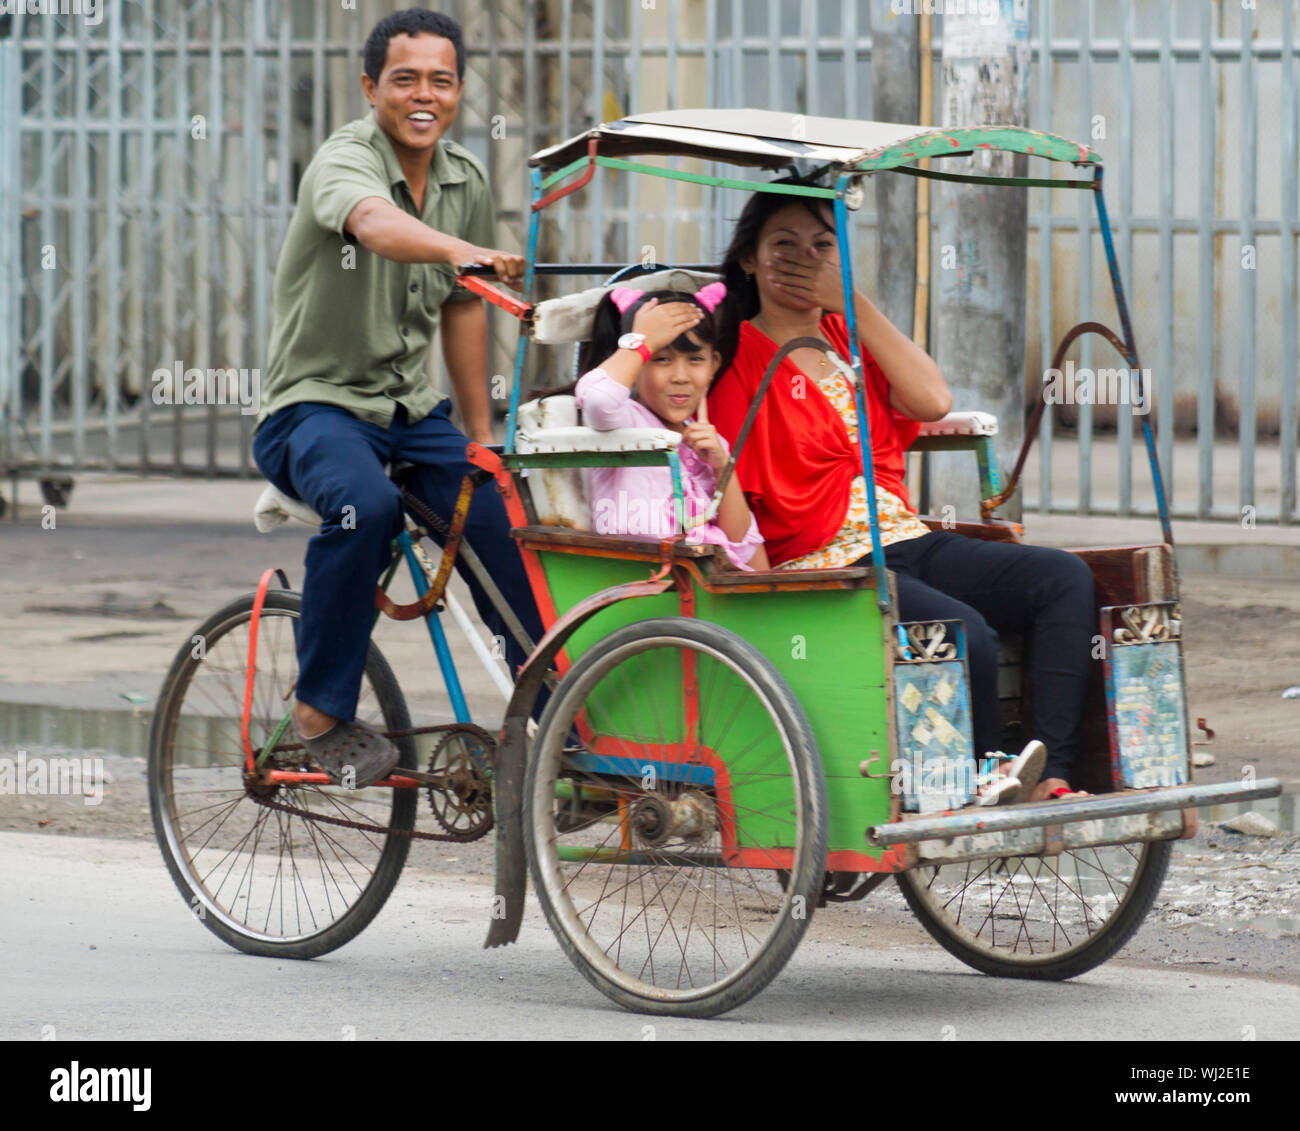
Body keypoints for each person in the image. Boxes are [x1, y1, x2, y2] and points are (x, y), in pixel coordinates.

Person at [708, 187, 1095, 801]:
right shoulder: (735, 360)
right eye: (784, 245)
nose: (804, 259)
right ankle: (983, 776)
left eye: (821, 246)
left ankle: (1051, 773)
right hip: (823, 560)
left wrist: (852, 303)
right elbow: (731, 489)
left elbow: (932, 400)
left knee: (1063, 577)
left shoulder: (848, 336)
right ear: (750, 259)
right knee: (963, 630)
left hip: (904, 537)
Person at [251, 9, 543, 787]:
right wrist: (463, 250)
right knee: (366, 508)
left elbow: (461, 306)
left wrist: (481, 437)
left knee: (504, 518)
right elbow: (376, 226)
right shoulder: (344, 160)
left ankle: (554, 714)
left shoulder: (464, 179)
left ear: (459, 90)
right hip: (313, 409)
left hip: (410, 415)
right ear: (371, 87)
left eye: (441, 81)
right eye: (405, 79)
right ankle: (319, 707)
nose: (424, 96)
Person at [574, 284, 768, 570]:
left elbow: (751, 554)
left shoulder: (707, 442)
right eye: (661, 358)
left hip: (709, 588)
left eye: (696, 360)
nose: (680, 376)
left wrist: (722, 468)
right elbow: (599, 399)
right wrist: (641, 342)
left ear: (714, 365)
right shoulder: (624, 422)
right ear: (636, 364)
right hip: (652, 583)